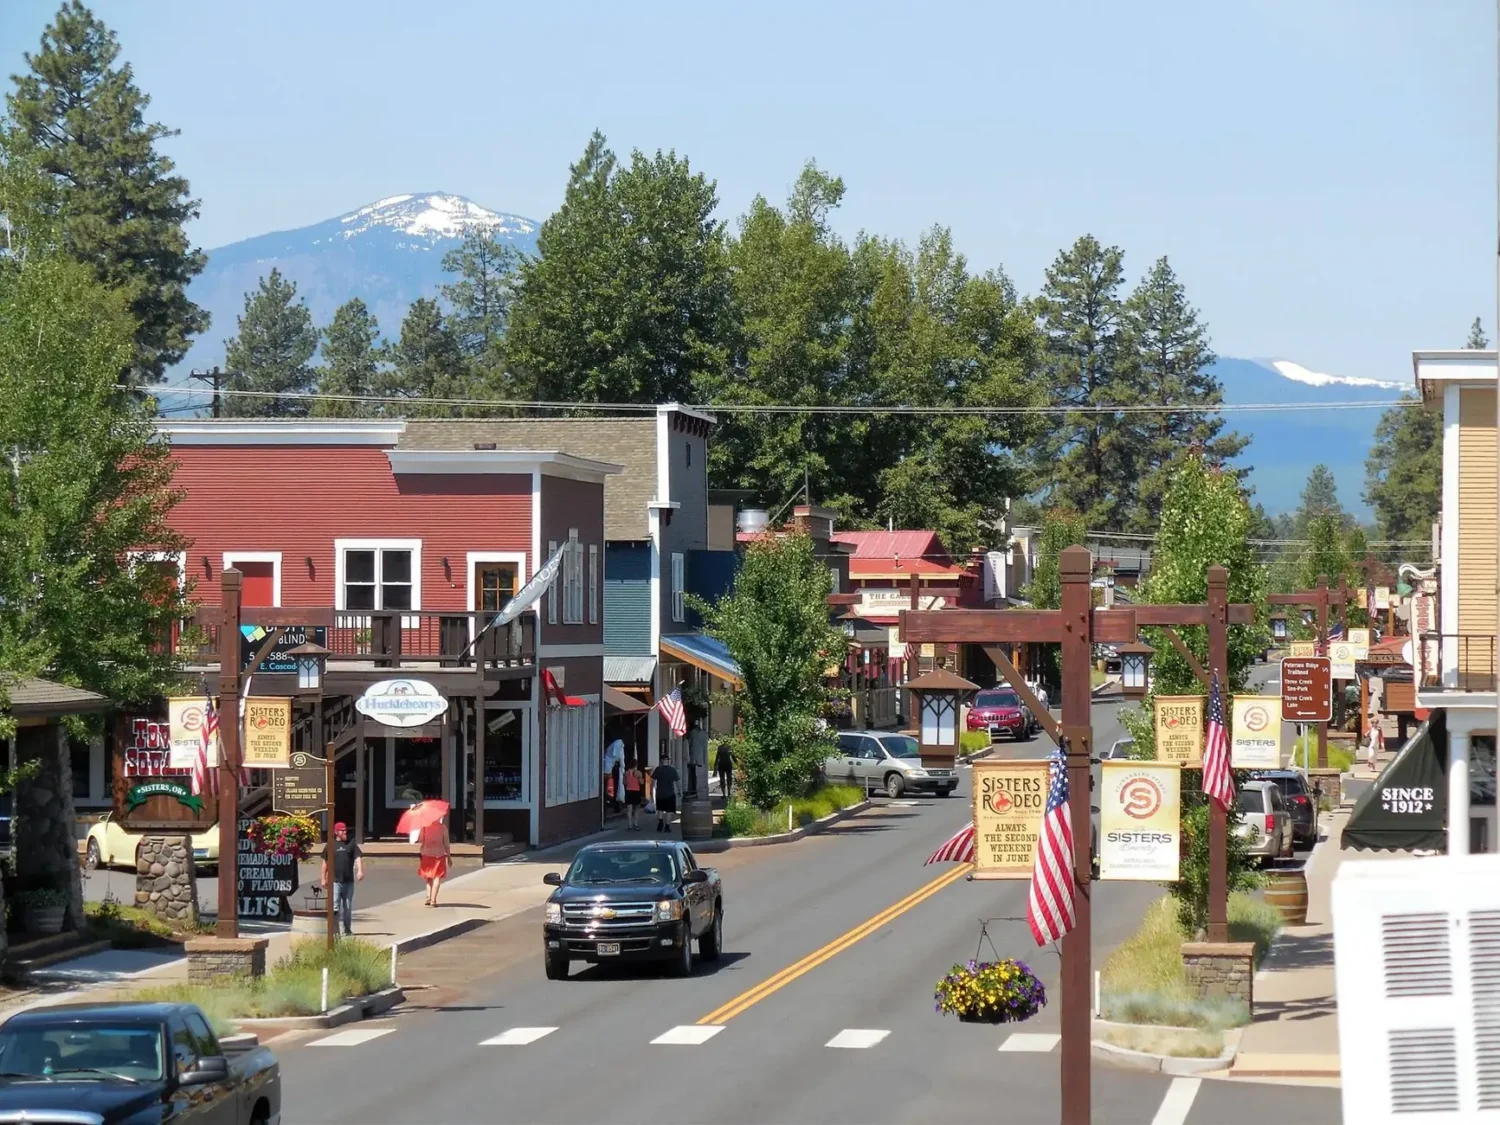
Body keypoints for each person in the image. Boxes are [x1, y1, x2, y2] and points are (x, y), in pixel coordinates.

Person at [320, 822, 363, 937]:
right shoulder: (330, 845)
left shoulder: (351, 843)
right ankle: (335, 930)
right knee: (334, 906)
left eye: (345, 830)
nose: (345, 832)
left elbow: (357, 857)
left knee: (347, 907)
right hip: (335, 881)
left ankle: (347, 929)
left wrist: (359, 870)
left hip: (348, 881)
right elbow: (325, 862)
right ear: (336, 832)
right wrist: (323, 878)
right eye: (342, 830)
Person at [418, 812, 451, 907]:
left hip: (426, 854)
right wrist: (449, 857)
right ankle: (433, 900)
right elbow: (446, 844)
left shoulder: (424, 827)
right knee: (437, 877)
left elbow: (420, 840)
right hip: (439, 855)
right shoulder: (443, 828)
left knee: (428, 877)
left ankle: (428, 896)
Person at [652, 752, 681, 835]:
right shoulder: (672, 770)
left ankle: (660, 822)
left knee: (660, 809)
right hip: (670, 793)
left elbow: (653, 782)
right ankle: (667, 827)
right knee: (669, 811)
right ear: (668, 761)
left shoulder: (658, 769)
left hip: (660, 793)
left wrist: (651, 791)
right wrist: (680, 791)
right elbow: (678, 782)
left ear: (661, 761)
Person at [623, 757, 645, 831]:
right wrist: (640, 779)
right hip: (636, 791)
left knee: (629, 810)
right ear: (635, 765)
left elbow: (624, 783)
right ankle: (636, 824)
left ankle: (630, 825)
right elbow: (641, 783)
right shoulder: (638, 773)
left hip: (628, 791)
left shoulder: (626, 773)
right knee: (636, 809)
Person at [604, 738, 625, 811]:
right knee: (614, 785)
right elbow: (615, 755)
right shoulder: (617, 745)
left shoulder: (615, 745)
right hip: (612, 767)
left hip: (613, 767)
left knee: (615, 785)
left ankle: (614, 805)